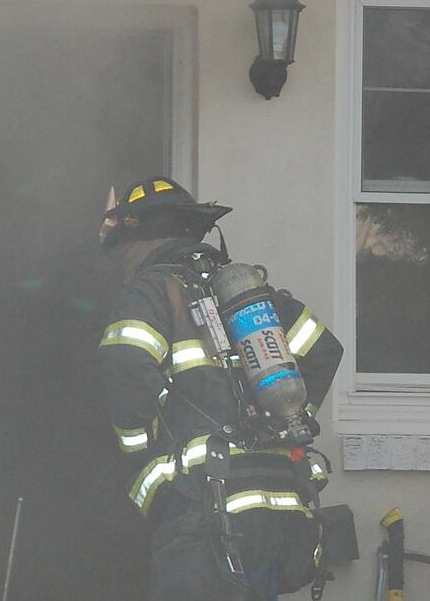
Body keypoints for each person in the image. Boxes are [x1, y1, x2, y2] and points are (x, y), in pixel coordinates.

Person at [96, 177, 343, 600]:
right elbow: (323, 351)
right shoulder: (247, 296)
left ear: (136, 235)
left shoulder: (150, 291)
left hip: (202, 510)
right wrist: (288, 417)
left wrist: (142, 456)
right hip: (279, 506)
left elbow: (127, 372)